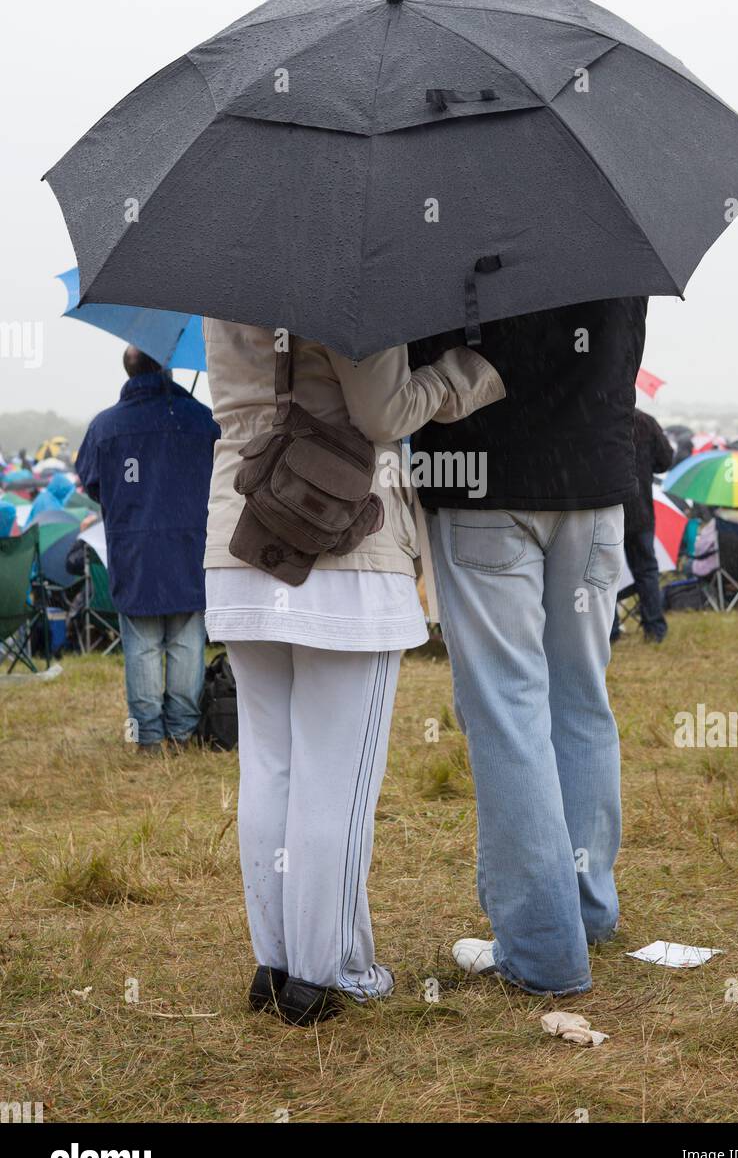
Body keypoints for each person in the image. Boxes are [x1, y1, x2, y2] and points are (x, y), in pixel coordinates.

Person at [203, 320, 504, 1025]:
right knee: (335, 780)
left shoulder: (224, 268)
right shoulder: (356, 260)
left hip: (240, 532)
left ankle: (277, 964)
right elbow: (382, 411)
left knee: (269, 767)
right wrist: (468, 371)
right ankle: (330, 969)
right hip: (344, 543)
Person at [409, 297, 646, 997]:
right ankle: (586, 908)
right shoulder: (613, 209)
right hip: (594, 483)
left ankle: (542, 948)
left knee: (508, 713)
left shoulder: (450, 216)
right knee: (582, 701)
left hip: (485, 483)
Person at [75, 346, 219, 750]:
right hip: (191, 550)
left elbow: (91, 483)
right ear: (167, 370)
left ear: (129, 371)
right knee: (188, 642)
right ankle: (183, 731)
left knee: (141, 646)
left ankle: (150, 736)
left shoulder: (104, 427)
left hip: (133, 551)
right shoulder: (204, 420)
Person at [611, 408, 674, 643]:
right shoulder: (646, 422)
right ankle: (654, 628)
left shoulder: (604, 417)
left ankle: (610, 631)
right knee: (647, 572)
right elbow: (665, 460)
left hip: (611, 510)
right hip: (642, 512)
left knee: (607, 574)